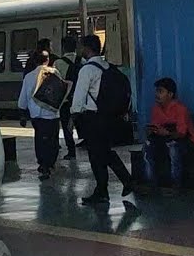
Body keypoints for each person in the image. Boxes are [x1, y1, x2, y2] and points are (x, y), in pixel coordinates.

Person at [70, 34, 134, 205]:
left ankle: (107, 189)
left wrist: (73, 116)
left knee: (96, 155)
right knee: (104, 151)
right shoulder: (107, 66)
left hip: (93, 118)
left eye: (80, 46)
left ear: (86, 48)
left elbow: (79, 98)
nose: (78, 50)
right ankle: (119, 183)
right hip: (108, 117)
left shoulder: (87, 70)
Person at [142, 77, 194, 190]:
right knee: (147, 146)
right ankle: (150, 183)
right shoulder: (156, 109)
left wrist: (167, 133)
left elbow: (182, 134)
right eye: (157, 91)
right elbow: (156, 127)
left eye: (161, 91)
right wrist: (152, 131)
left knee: (173, 147)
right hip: (165, 139)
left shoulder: (180, 109)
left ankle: (176, 184)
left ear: (170, 94)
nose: (157, 95)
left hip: (185, 141)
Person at [18, 52, 61, 181]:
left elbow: (23, 98)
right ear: (47, 60)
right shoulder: (55, 73)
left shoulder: (29, 76)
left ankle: (43, 164)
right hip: (52, 113)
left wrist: (22, 114)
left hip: (36, 114)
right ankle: (50, 162)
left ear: (35, 61)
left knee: (40, 140)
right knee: (53, 140)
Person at [57, 36, 80, 160]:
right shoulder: (83, 61)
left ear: (63, 48)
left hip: (66, 101)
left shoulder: (58, 63)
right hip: (80, 99)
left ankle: (71, 151)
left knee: (67, 127)